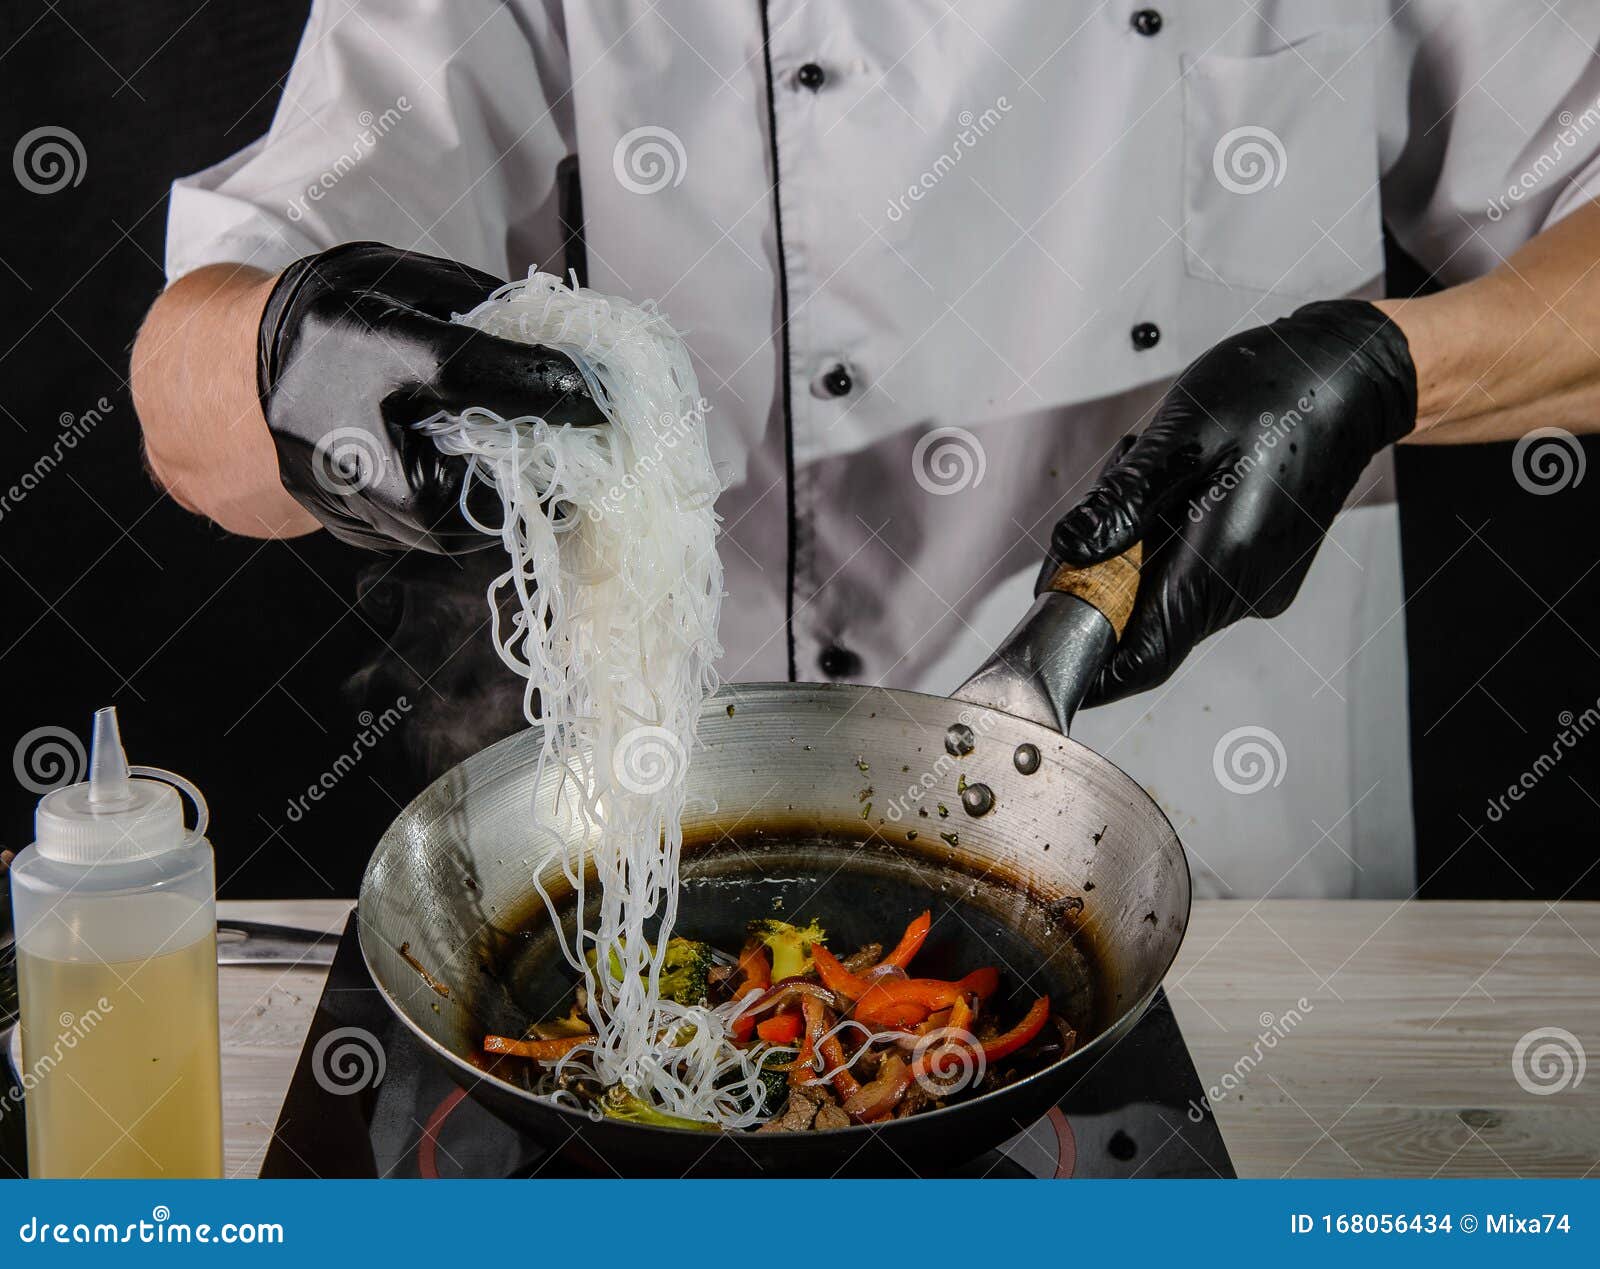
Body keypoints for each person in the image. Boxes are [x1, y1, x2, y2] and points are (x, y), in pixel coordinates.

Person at [131, 2, 1600, 899]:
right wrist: (297, 363)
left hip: (1248, 876)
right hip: (707, 870)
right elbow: (194, 405)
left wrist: (1386, 369)